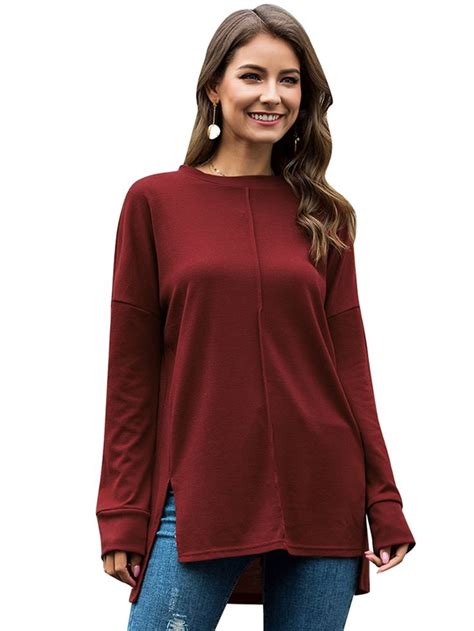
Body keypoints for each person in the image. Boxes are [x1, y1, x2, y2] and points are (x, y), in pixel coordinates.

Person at [96, 5, 416, 629]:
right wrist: (122, 510)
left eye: (289, 80)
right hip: (202, 487)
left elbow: (351, 369)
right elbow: (130, 375)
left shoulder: (325, 215)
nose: (273, 95)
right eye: (252, 76)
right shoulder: (154, 202)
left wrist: (384, 499)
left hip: (322, 489)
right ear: (214, 88)